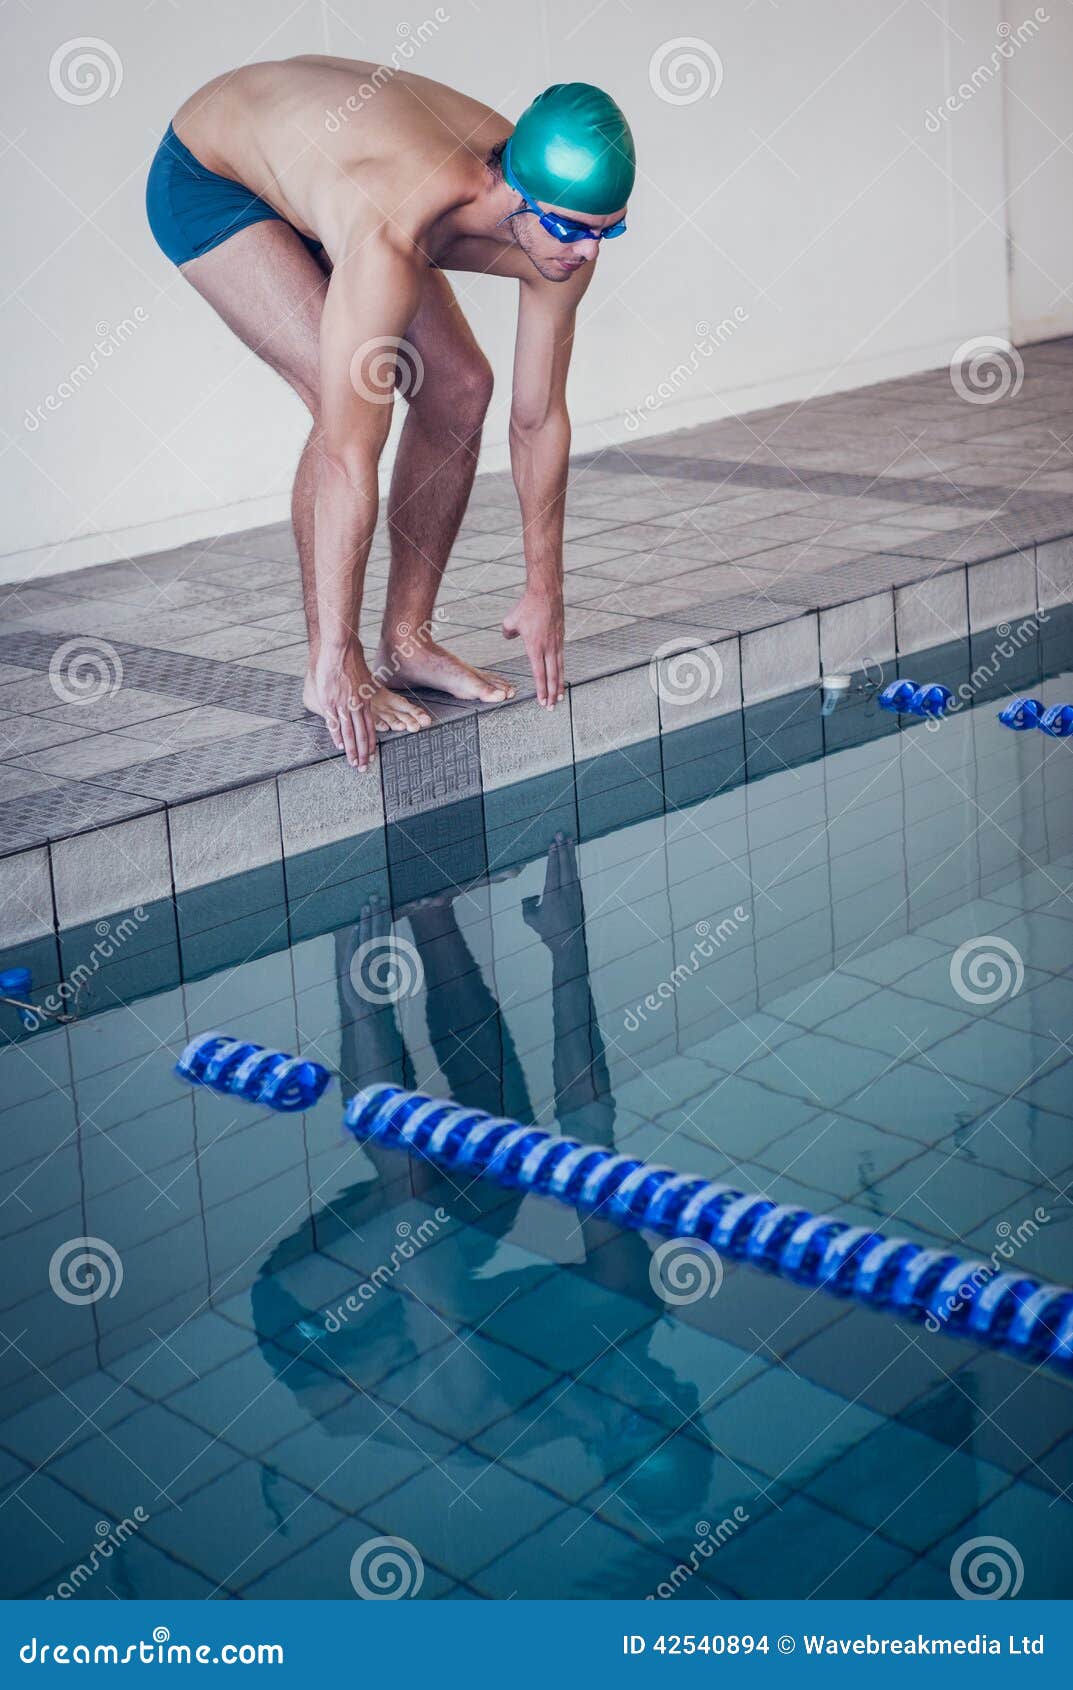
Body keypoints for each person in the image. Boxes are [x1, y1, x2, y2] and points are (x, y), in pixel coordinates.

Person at [146, 60, 636, 771]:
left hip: (330, 168)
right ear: (515, 193)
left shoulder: (570, 221)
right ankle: (326, 668)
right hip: (213, 177)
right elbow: (349, 457)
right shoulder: (394, 218)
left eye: (608, 232)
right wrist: (337, 650)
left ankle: (408, 644)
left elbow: (538, 419)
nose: (586, 250)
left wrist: (543, 589)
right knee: (340, 399)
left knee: (460, 385)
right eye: (569, 228)